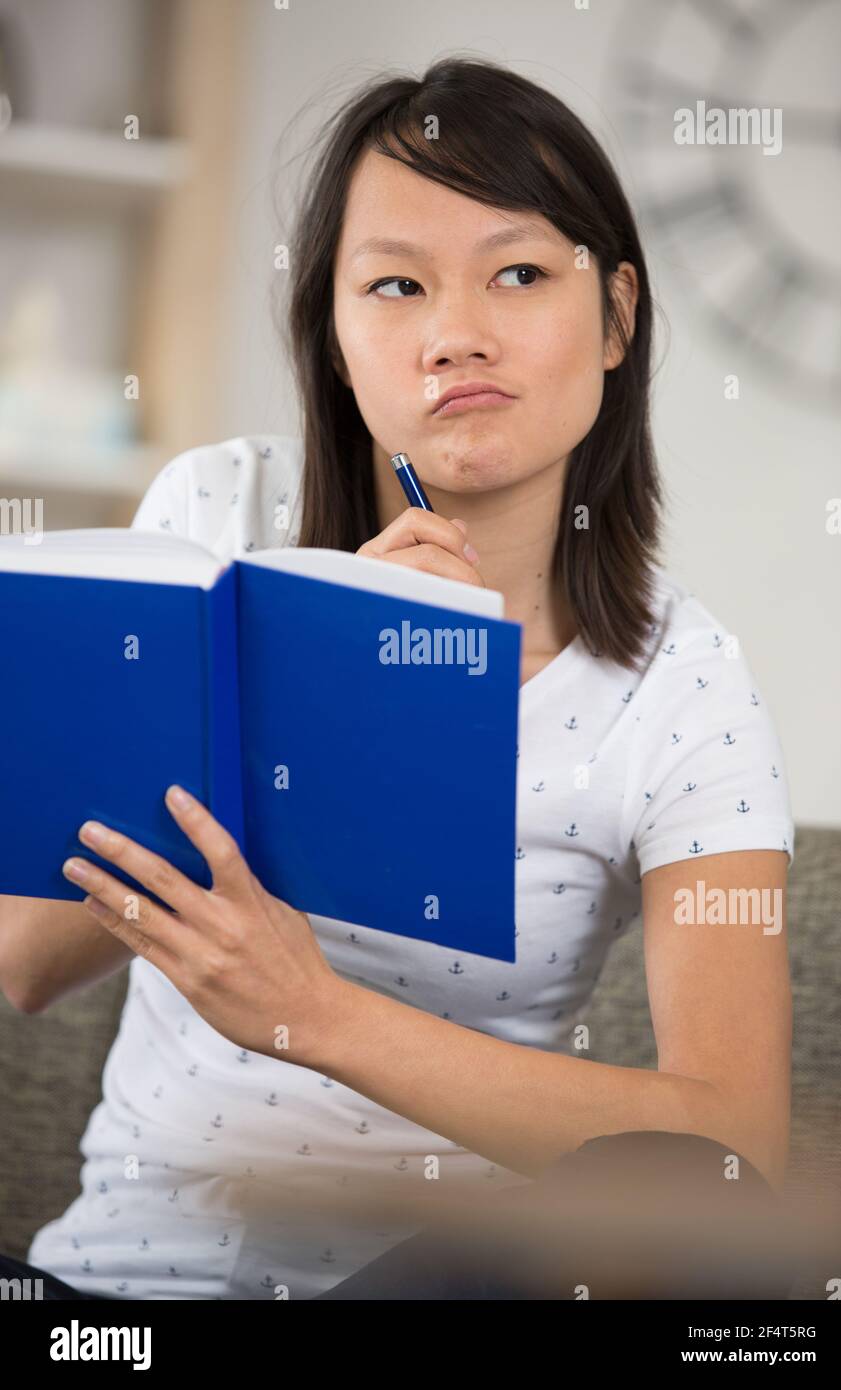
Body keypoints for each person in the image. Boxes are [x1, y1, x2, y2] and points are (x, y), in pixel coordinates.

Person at [0, 57, 794, 1300]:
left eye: (517, 272)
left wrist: (314, 1015)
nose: (453, 333)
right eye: (394, 285)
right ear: (333, 330)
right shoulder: (219, 514)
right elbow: (26, 959)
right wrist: (294, 689)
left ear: (617, 316)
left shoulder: (682, 686)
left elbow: (731, 1153)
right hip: (112, 1300)